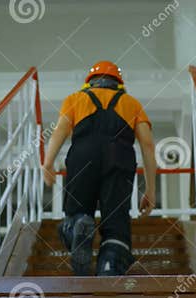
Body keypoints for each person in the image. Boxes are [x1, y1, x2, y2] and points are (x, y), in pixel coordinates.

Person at [41, 60, 158, 276]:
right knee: (116, 219)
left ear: (90, 82)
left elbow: (60, 131)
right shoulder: (131, 103)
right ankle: (110, 265)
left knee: (77, 209)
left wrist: (48, 162)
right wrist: (150, 190)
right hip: (120, 159)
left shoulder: (75, 99)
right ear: (118, 82)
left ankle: (78, 224)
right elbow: (148, 146)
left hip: (83, 156)